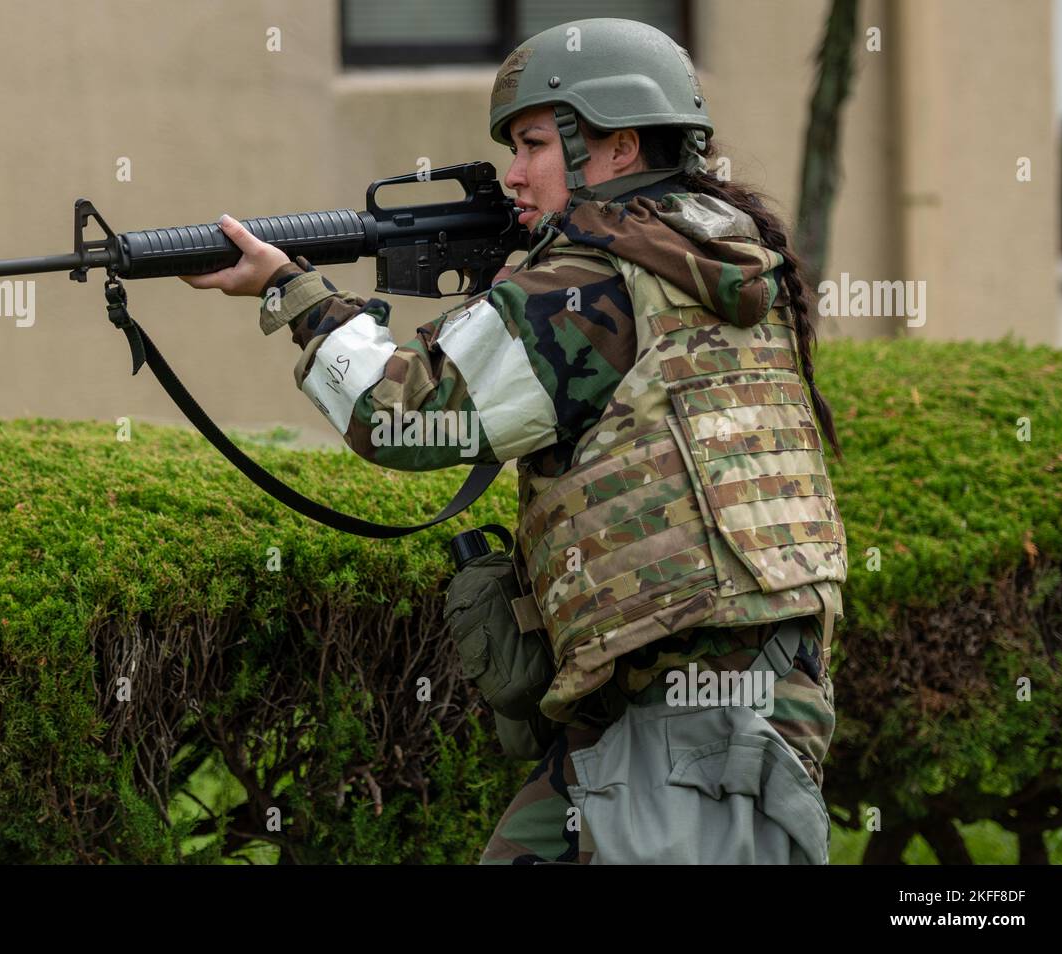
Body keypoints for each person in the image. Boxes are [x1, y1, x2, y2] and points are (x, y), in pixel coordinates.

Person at [181, 17, 847, 865]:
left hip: (700, 719)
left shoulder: (598, 276)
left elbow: (408, 418)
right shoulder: (702, 250)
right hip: (671, 699)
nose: (513, 173)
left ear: (615, 144)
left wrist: (297, 296)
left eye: (533, 143)